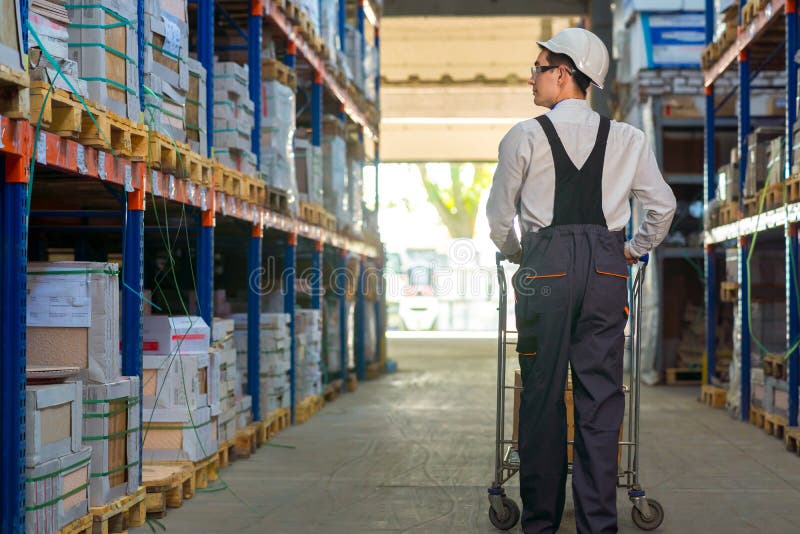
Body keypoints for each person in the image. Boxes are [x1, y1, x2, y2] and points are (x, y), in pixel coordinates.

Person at [485, 28, 676, 533]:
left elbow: (499, 220)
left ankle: (542, 522)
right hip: (607, 269)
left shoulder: (524, 135)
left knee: (542, 395)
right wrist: (631, 251)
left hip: (544, 269)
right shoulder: (628, 138)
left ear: (565, 74)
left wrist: (522, 256)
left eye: (540, 67)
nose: (532, 77)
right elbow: (662, 206)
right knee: (599, 396)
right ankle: (597, 523)